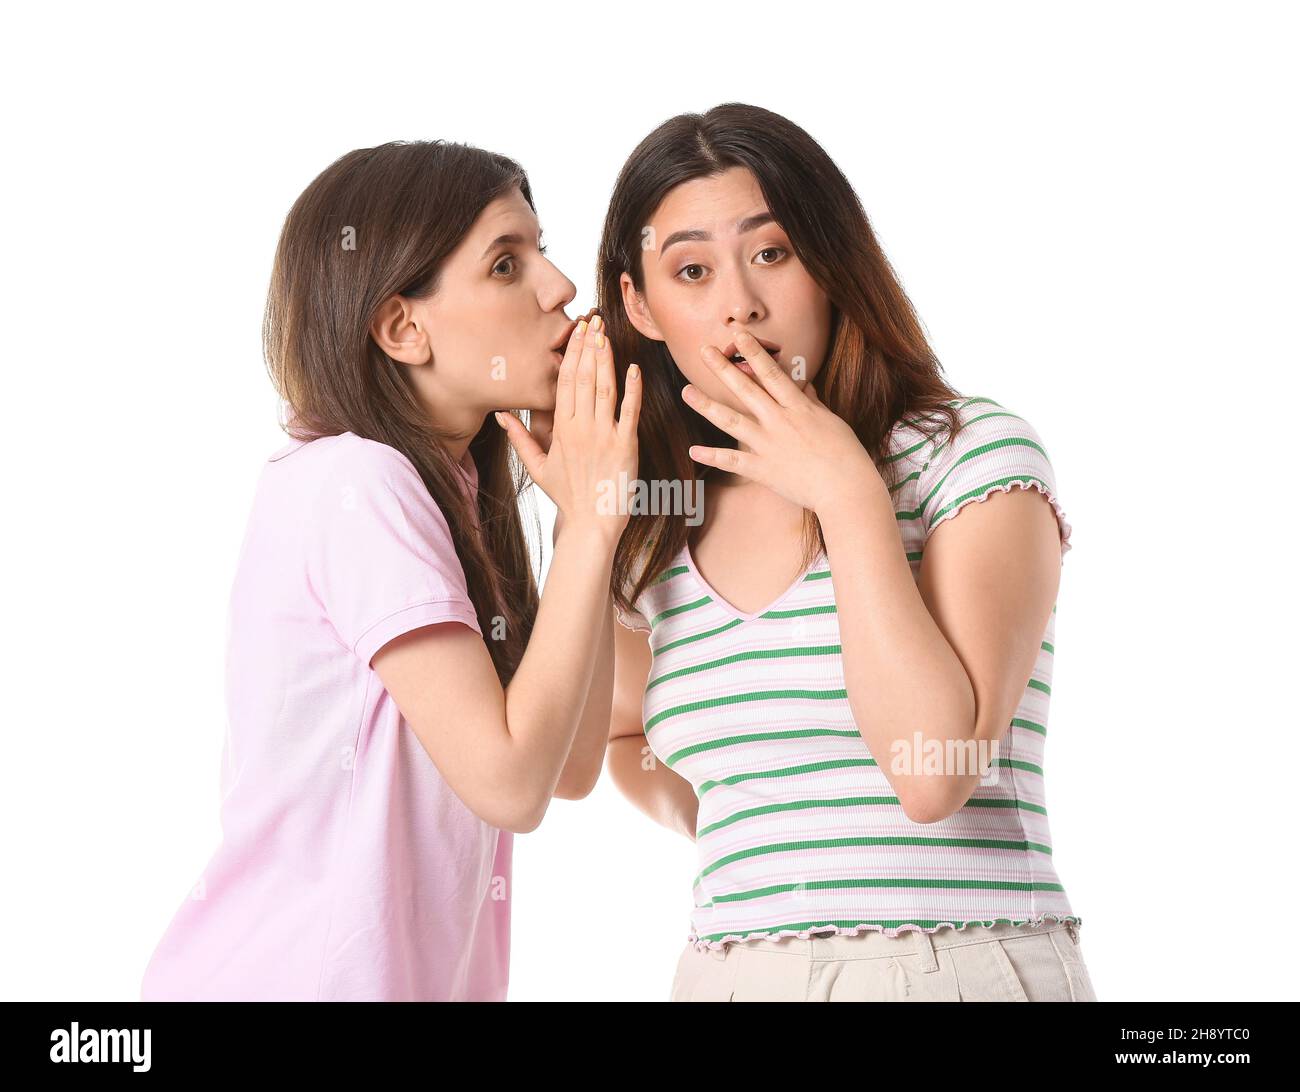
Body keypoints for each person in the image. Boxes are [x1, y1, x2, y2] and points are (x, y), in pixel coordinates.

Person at [600, 104, 1097, 1001]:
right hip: (725, 976)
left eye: (773, 252)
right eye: (692, 271)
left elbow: (930, 772)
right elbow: (623, 733)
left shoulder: (971, 454)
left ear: (831, 264)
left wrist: (848, 495)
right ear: (641, 305)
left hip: (954, 967)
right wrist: (756, 832)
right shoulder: (654, 522)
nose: (740, 304)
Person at [140, 140, 639, 1001]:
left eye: (541, 251)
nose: (559, 288)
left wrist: (578, 522)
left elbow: (569, 765)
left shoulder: (450, 492)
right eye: (506, 263)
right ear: (403, 328)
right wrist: (593, 527)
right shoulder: (356, 479)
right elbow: (511, 783)